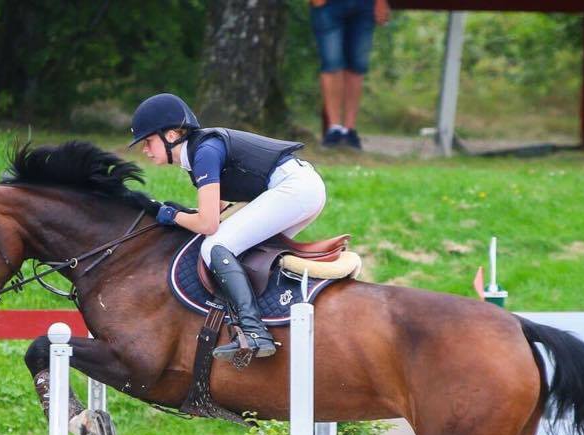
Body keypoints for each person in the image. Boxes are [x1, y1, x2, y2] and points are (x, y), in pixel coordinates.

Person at [129, 92, 327, 360]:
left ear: (172, 135)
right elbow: (219, 210)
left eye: (148, 140)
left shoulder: (205, 152)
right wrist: (183, 213)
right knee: (238, 247)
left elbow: (208, 224)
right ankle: (254, 322)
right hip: (301, 188)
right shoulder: (196, 154)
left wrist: (170, 215)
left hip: (294, 189)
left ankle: (254, 331)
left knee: (215, 246)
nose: (145, 149)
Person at [311, 0, 390, 149]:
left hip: (365, 4)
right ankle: (333, 130)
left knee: (357, 65)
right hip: (328, 5)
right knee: (331, 63)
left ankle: (349, 131)